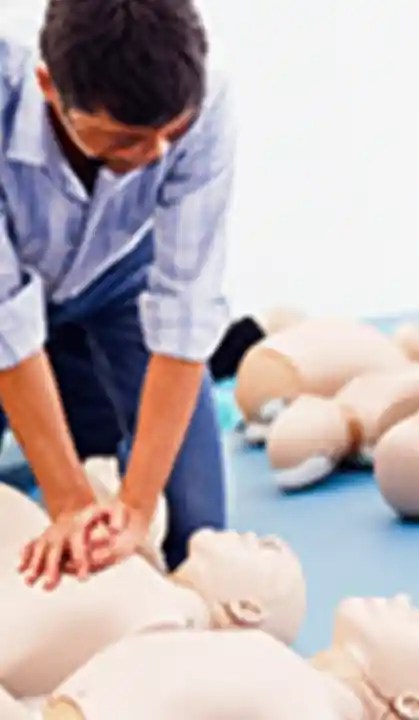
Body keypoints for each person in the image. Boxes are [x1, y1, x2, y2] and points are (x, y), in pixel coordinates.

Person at [0, 0, 233, 587]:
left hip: (115, 282)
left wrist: (135, 506)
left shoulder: (204, 104)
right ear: (49, 86)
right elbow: (3, 319)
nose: (155, 154)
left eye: (169, 135)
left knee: (198, 531)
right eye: (127, 139)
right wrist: (69, 500)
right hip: (13, 301)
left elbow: (186, 307)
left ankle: (79, 398)